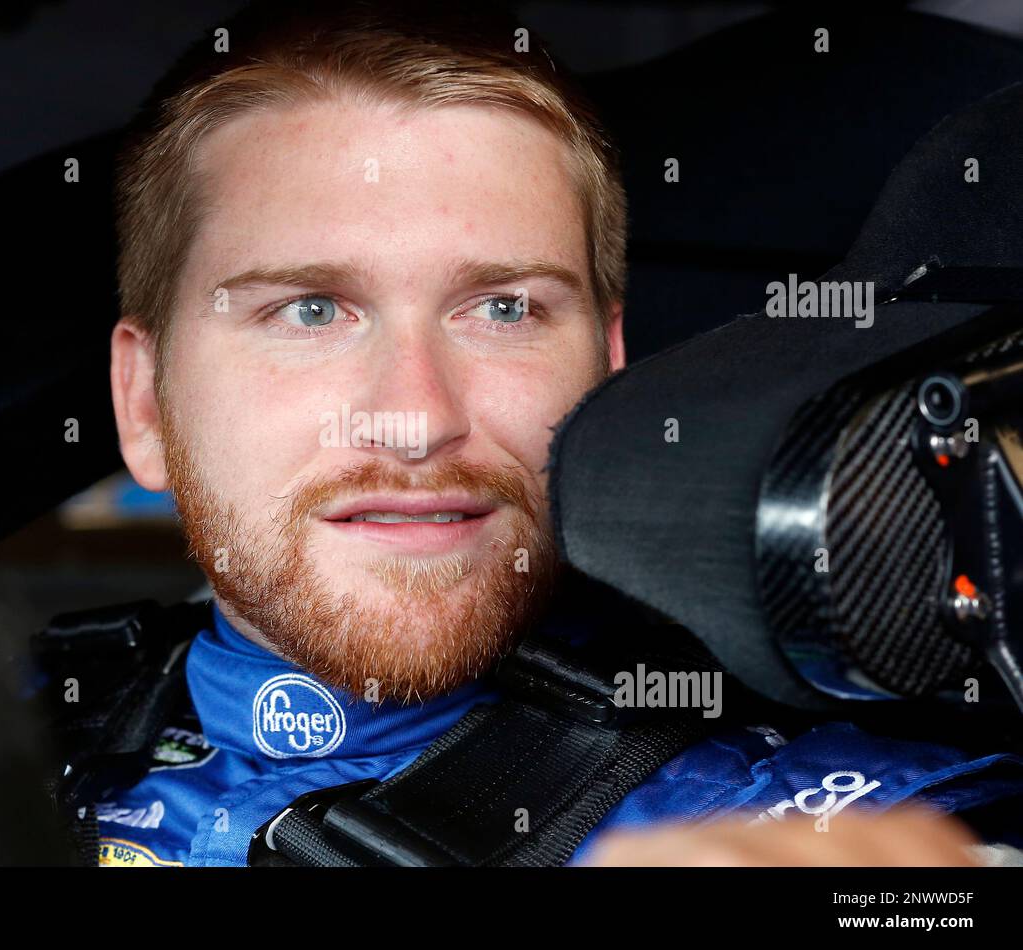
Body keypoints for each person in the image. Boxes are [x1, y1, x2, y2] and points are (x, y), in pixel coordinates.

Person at [90, 0, 1023, 866]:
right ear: (143, 402)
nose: (415, 419)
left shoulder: (816, 825)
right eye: (308, 311)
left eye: (502, 308)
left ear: (609, 372)